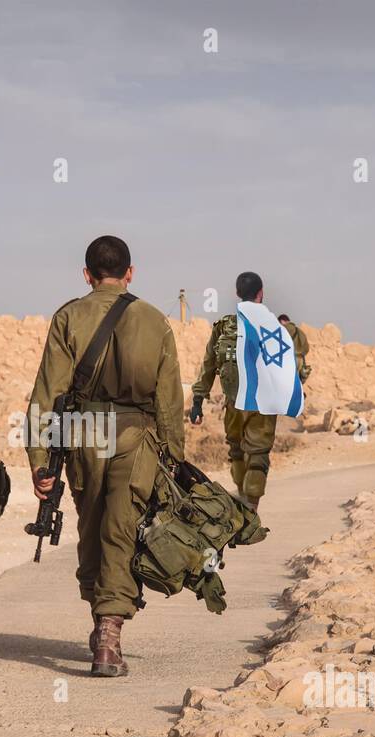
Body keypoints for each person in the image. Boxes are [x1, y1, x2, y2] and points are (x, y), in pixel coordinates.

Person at [27, 235, 184, 677]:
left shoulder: (68, 317)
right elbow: (169, 401)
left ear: (87, 275)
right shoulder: (155, 321)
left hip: (82, 435)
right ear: (130, 273)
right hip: (136, 436)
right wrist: (173, 460)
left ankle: (101, 624)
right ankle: (110, 636)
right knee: (122, 530)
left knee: (93, 527)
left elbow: (47, 393)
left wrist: (40, 460)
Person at [190, 272, 283, 506]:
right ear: (261, 294)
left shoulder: (224, 326)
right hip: (261, 405)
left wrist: (198, 401)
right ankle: (250, 505)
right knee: (257, 456)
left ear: (237, 294)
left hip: (233, 402)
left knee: (237, 452)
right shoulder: (272, 326)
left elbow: (208, 365)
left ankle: (243, 498)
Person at [278, 314, 310, 383]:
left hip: (287, 360)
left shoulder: (282, 330)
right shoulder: (300, 332)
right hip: (299, 361)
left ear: (282, 321)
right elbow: (306, 349)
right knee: (296, 382)